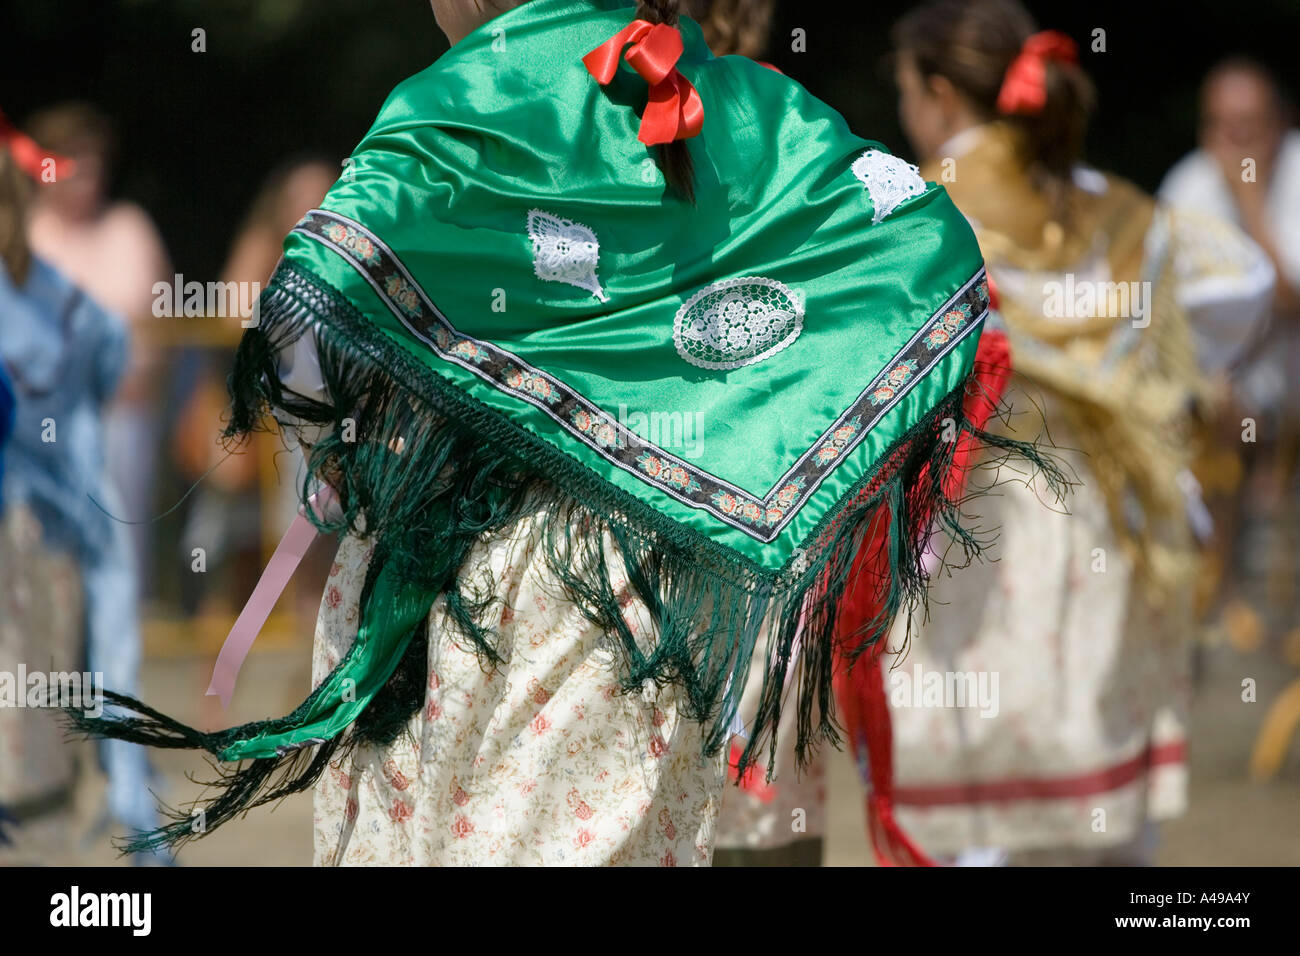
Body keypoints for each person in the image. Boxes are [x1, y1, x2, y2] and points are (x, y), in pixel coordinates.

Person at [78, 0, 1053, 866]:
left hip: (461, 579)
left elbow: (308, 345)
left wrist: (378, 444)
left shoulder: (456, 103)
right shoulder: (729, 97)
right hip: (649, 569)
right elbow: (914, 244)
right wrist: (738, 444)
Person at [854, 0, 1275, 866]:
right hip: (1104, 521)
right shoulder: (1115, 211)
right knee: (1101, 808)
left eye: (906, 91)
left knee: (983, 808)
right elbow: (1245, 283)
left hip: (977, 518)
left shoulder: (910, 210)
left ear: (937, 94)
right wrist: (1137, 382)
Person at [0, 110, 168, 863]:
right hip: (49, 517)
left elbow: (114, 363)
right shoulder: (65, 301)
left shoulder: (63, 304)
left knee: (88, 665)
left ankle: (126, 804)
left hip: (59, 519)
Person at [1159, 58, 1300, 647]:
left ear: (1280, 123)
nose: (1234, 142)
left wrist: (1249, 200)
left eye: (1249, 126)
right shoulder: (1187, 186)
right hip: (1225, 385)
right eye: (1223, 127)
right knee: (1213, 416)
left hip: (1290, 366)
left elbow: (1291, 301)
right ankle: (1219, 596)